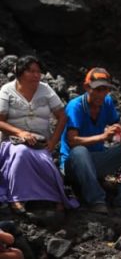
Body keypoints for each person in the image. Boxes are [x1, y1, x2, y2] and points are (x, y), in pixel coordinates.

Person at [61, 68, 121, 216]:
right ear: (87, 87)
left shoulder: (107, 102)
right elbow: (72, 141)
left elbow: (116, 127)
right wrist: (103, 137)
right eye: (97, 89)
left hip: (97, 160)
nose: (102, 94)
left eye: (105, 89)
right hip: (74, 166)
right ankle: (96, 200)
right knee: (80, 151)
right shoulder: (75, 107)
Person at [0, 56, 77, 213]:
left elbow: (62, 116)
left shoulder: (46, 90)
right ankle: (17, 198)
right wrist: (20, 132)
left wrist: (53, 142)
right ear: (20, 72)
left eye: (38, 71)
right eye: (31, 71)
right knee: (21, 153)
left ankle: (54, 196)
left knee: (46, 164)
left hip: (40, 143)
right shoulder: (7, 90)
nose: (36, 75)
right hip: (13, 142)